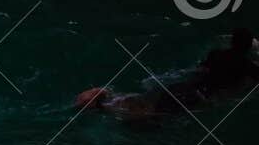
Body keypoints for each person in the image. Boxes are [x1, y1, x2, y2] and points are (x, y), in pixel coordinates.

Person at [76, 28, 258, 117]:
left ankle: (105, 101)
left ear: (232, 41)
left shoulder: (216, 54)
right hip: (199, 95)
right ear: (249, 46)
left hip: (183, 85)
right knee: (155, 114)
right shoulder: (247, 65)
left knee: (149, 102)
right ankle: (100, 105)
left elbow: (200, 69)